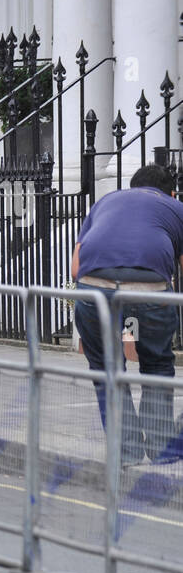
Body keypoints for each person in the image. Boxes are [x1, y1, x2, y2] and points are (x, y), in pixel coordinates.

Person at [72, 163, 183, 466]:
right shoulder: (176, 207)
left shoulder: (106, 201)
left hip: (93, 288)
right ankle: (162, 449)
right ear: (171, 192)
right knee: (158, 364)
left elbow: (75, 266)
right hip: (150, 289)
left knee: (108, 370)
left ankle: (128, 452)